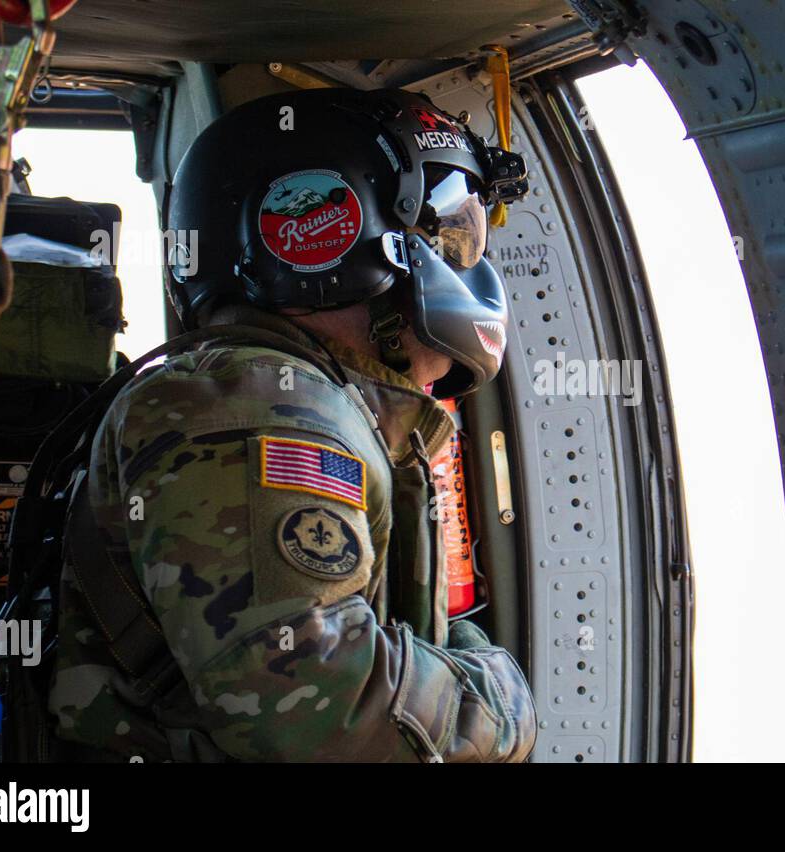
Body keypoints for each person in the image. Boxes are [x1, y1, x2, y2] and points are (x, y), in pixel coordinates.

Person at [46, 87, 536, 762]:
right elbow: (328, 714)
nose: (465, 264)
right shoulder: (253, 408)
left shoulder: (300, 402)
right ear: (340, 236)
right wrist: (504, 699)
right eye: (448, 234)